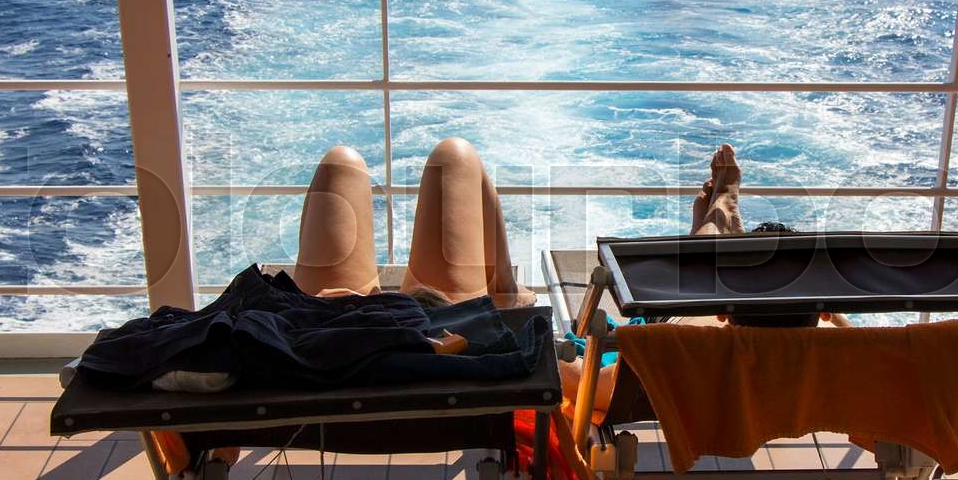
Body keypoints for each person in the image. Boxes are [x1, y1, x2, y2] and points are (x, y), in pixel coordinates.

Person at [290, 139, 758, 304]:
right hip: (432, 333)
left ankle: (715, 228)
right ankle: (716, 226)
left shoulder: (667, 351)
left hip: (315, 341)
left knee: (342, 163)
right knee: (452, 154)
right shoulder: (671, 350)